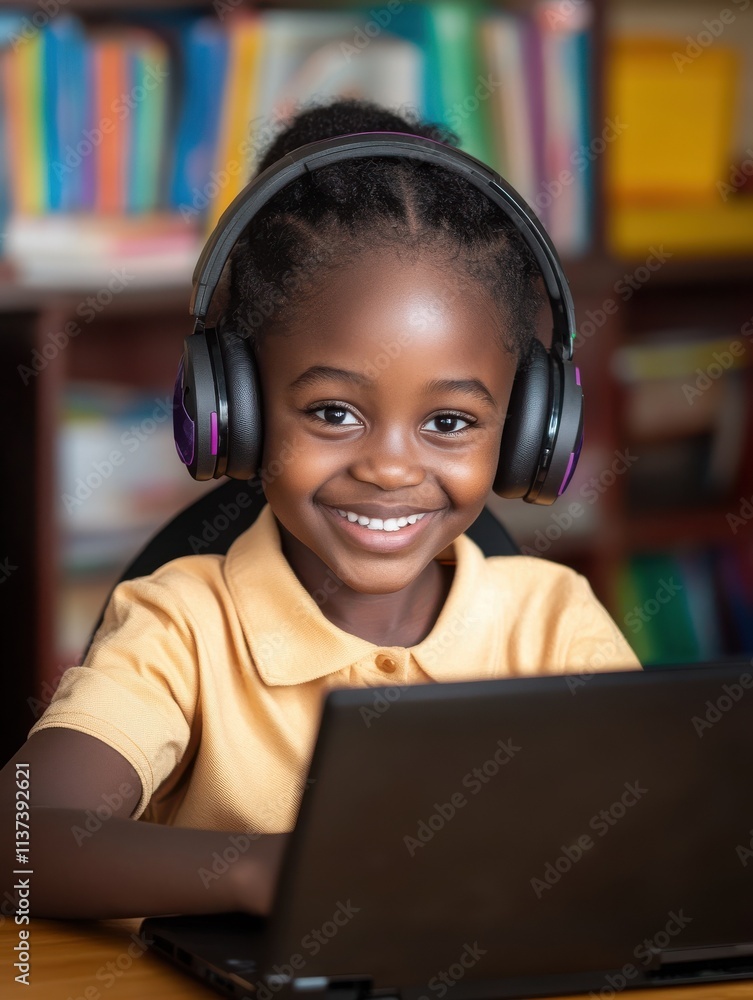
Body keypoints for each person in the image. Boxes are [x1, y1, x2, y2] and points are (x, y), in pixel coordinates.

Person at [0, 98, 640, 921]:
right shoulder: (181, 629)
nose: (388, 467)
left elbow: (650, 840)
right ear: (238, 411)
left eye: (449, 422)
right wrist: (276, 871)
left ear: (524, 433)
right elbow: (19, 840)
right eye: (334, 412)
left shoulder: (554, 625)